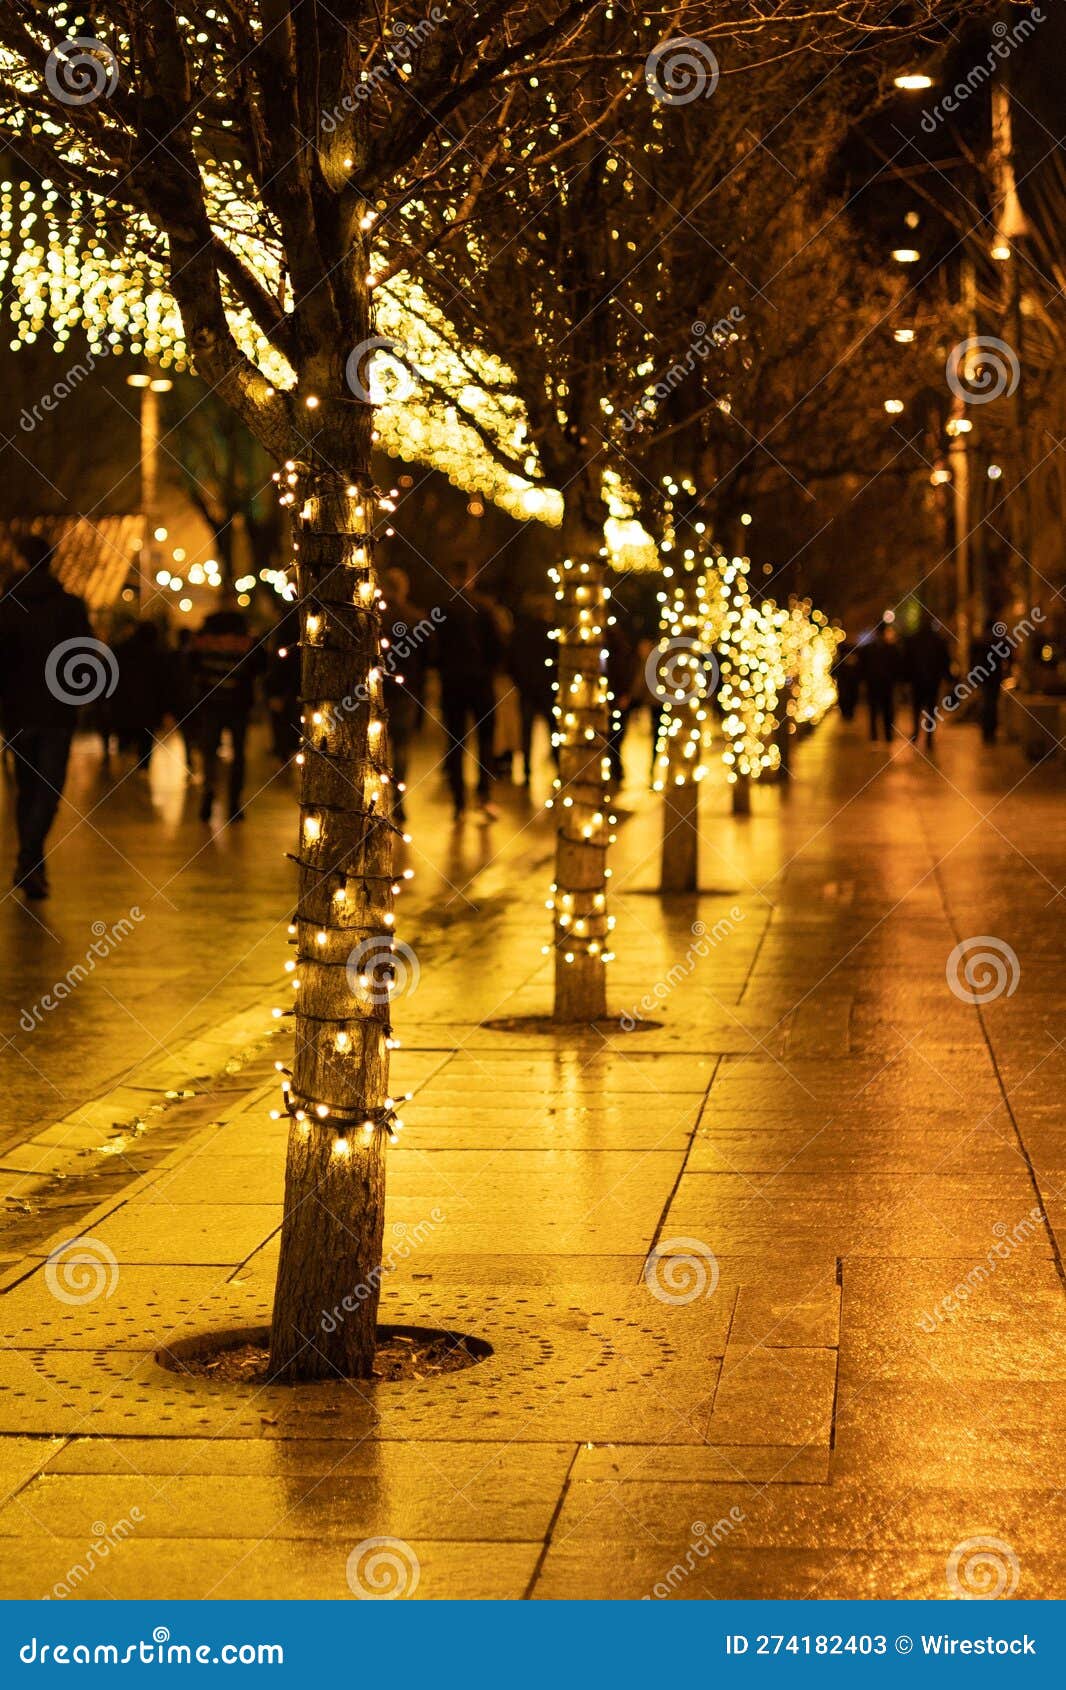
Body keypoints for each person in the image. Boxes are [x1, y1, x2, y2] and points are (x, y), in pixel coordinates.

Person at [0, 534, 94, 898]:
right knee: (48, 789)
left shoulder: (8, 607)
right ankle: (30, 861)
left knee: (27, 789)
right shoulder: (69, 607)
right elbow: (83, 655)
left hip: (18, 712)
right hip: (57, 711)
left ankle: (31, 863)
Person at [189, 586, 262, 822]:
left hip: (211, 701)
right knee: (238, 754)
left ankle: (209, 797)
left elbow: (191, 662)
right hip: (237, 702)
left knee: (210, 752)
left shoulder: (205, 629)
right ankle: (233, 804)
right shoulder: (245, 630)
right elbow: (260, 664)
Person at [435, 559, 500, 821]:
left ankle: (459, 802)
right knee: (485, 739)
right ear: (472, 576)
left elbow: (433, 648)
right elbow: (497, 645)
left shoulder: (443, 609)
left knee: (455, 742)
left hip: (452, 683)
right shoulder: (484, 607)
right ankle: (484, 796)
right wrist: (489, 668)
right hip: (481, 683)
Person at [380, 566, 426, 822]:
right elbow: (426, 660)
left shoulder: (375, 618)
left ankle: (378, 799)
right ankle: (398, 799)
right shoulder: (415, 618)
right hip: (406, 691)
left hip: (377, 690)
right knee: (401, 748)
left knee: (377, 747)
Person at [111, 619, 175, 768]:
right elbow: (165, 684)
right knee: (145, 745)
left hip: (124, 706)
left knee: (124, 744)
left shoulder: (121, 651)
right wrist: (166, 708)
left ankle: (124, 775)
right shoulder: (158, 655)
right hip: (148, 710)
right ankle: (141, 773)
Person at [509, 591, 557, 786]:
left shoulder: (522, 632)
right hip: (545, 689)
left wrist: (520, 681)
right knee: (551, 729)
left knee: (527, 731)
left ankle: (527, 770)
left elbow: (512, 660)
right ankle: (557, 765)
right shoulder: (551, 631)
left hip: (529, 688)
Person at [905, 615, 952, 749]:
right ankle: (929, 737)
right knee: (931, 709)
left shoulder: (912, 640)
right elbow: (945, 661)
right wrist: (948, 678)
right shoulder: (938, 641)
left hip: (917, 680)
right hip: (933, 681)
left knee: (916, 708)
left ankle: (916, 733)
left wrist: (905, 679)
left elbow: (906, 662)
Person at [861, 624, 899, 743]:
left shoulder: (869, 649)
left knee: (875, 711)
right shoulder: (890, 648)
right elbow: (896, 667)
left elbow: (863, 666)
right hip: (884, 684)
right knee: (885, 710)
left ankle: (875, 736)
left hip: (875, 683)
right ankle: (886, 736)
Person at [975, 618, 1009, 745]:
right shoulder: (999, 642)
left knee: (986, 703)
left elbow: (976, 660)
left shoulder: (981, 642)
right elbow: (1007, 656)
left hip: (984, 677)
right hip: (995, 677)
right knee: (992, 704)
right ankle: (991, 732)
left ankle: (986, 732)